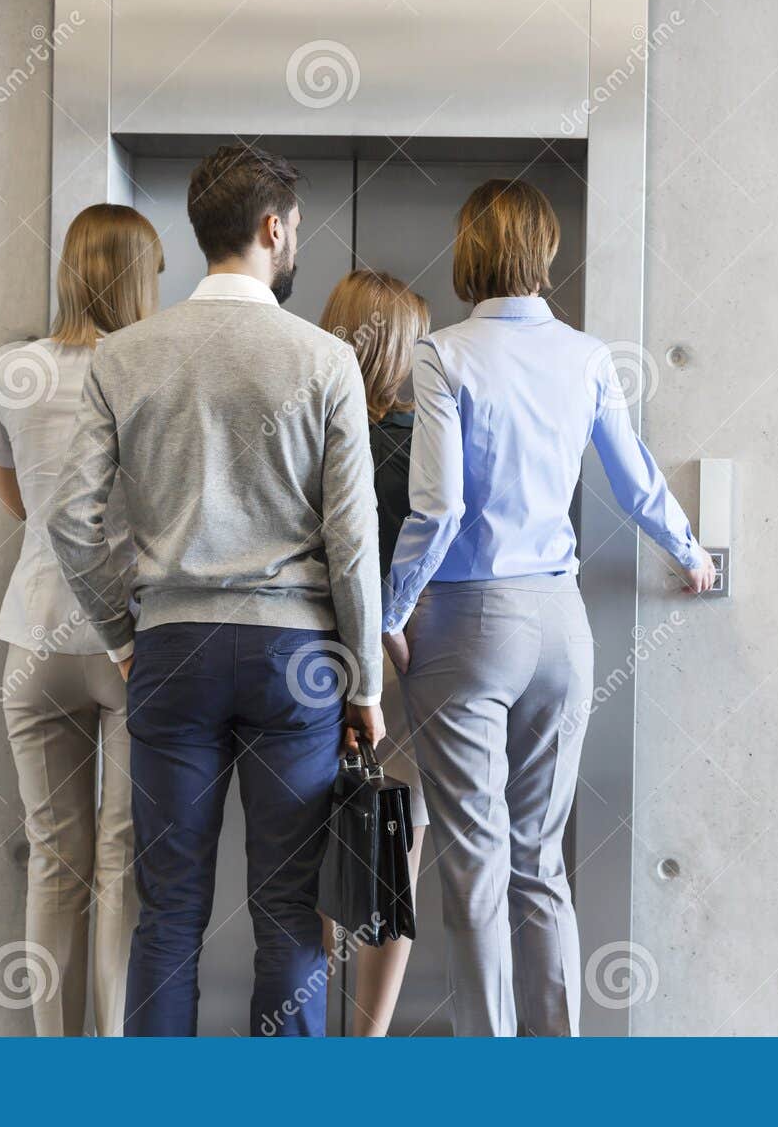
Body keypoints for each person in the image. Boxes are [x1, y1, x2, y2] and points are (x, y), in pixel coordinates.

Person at [47, 145, 385, 1038]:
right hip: (295, 659)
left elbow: (70, 520)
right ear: (274, 228)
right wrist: (366, 684)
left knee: (168, 914)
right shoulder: (323, 359)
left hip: (172, 651)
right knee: (285, 914)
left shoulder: (124, 356)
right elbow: (353, 542)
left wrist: (127, 631)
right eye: (296, 226)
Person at [382, 179, 716, 1037]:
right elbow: (635, 477)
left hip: (467, 622)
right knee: (540, 862)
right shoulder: (586, 354)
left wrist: (389, 612)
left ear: (470, 249)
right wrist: (690, 553)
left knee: (476, 866)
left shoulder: (445, 354)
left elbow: (439, 507)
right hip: (561, 627)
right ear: (545, 251)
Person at [0, 202, 164, 1036]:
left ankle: (54, 1063)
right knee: (121, 865)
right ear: (137, 278)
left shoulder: (10, 369)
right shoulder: (152, 368)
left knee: (54, 865)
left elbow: (17, 497)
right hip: (134, 643)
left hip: (35, 632)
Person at [317, 270, 432, 1036]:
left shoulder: (311, 428)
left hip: (311, 657)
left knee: (322, 836)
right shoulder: (422, 439)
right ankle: (372, 1038)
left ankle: (316, 1018)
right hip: (406, 655)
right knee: (397, 844)